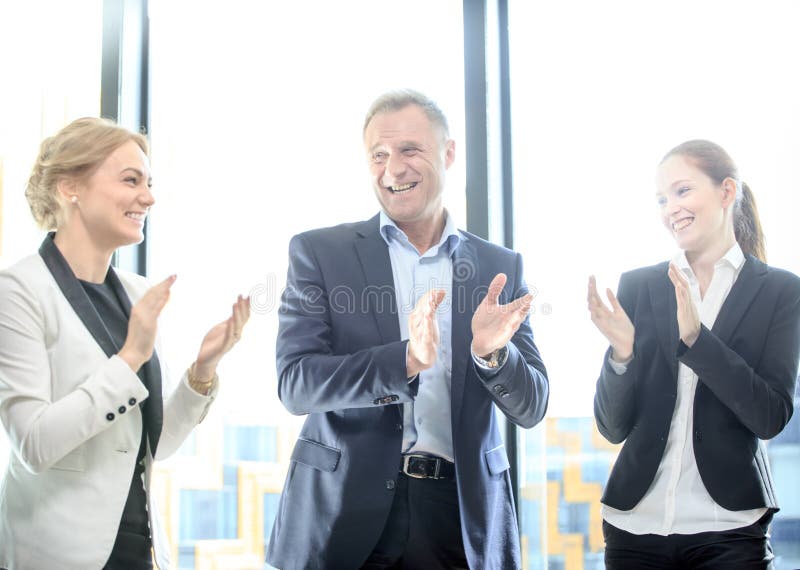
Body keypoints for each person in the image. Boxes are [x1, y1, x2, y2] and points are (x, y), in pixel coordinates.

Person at [266, 89, 549, 570]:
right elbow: (296, 384)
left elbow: (532, 406)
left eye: (410, 150)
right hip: (341, 515)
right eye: (379, 154)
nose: (393, 169)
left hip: (460, 519)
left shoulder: (499, 266)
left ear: (449, 153)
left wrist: (492, 355)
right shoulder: (320, 253)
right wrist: (405, 362)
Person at [0, 117, 250, 570]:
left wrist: (203, 370)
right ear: (69, 186)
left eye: (149, 183)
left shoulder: (135, 292)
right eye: (131, 180)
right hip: (56, 553)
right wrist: (131, 355)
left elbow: (158, 444)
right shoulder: (17, 291)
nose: (149, 197)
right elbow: (34, 444)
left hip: (140, 549)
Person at [588, 139, 800, 569]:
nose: (671, 208)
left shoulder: (780, 291)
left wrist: (698, 341)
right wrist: (622, 354)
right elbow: (612, 427)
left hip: (728, 529)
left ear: (726, 192)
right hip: (634, 526)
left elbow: (770, 416)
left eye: (683, 191)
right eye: (662, 198)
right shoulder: (640, 286)